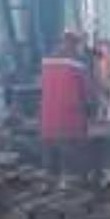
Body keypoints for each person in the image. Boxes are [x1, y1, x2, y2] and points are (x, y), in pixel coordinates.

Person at [39, 30, 95, 182]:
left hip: (48, 117)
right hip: (70, 116)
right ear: (74, 43)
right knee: (71, 157)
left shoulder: (46, 61)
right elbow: (87, 89)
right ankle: (71, 182)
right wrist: (91, 106)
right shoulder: (77, 63)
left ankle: (51, 181)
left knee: (51, 157)